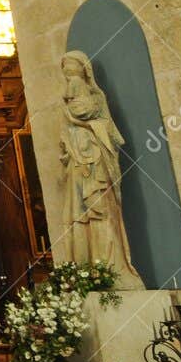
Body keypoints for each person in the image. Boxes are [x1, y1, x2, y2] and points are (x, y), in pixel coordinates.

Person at [57, 51, 139, 278]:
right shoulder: (65, 107)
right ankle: (85, 270)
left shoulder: (97, 100)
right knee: (79, 215)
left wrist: (80, 123)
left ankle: (109, 267)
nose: (71, 78)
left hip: (96, 163)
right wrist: (69, 140)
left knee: (101, 211)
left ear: (85, 72)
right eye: (66, 72)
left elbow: (100, 124)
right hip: (77, 165)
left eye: (74, 70)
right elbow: (63, 137)